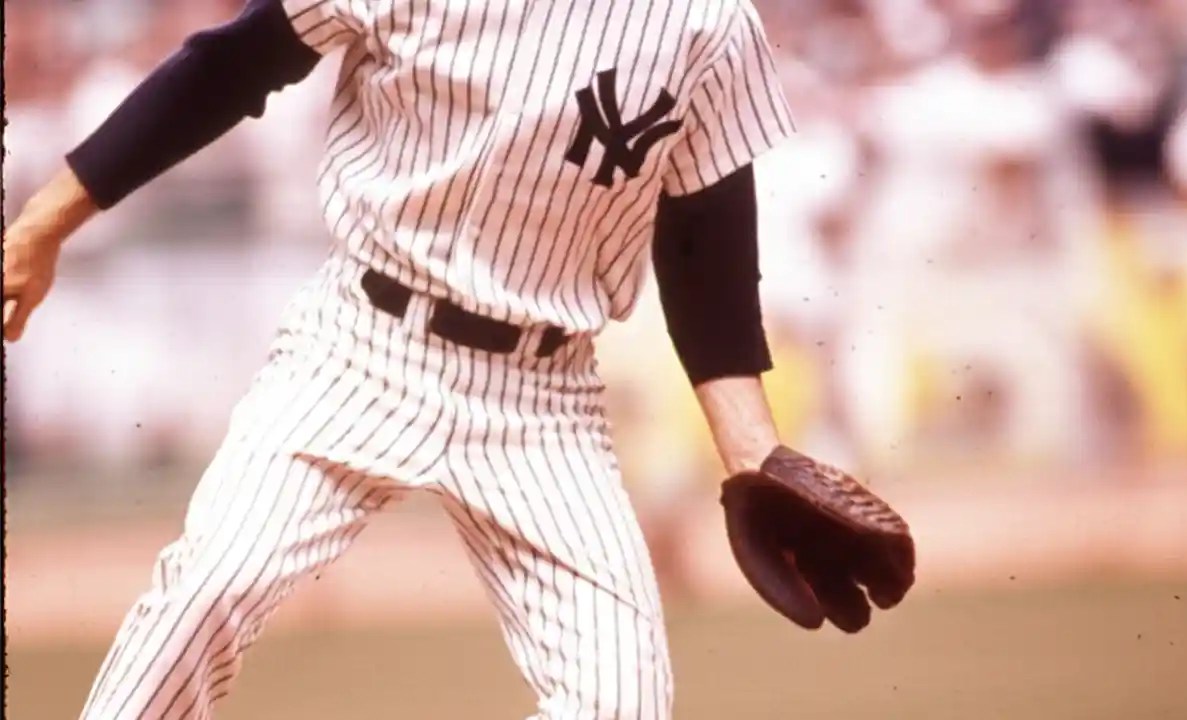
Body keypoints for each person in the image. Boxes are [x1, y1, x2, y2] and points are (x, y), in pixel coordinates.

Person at [3, 2, 914, 718]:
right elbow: (230, 66)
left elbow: (703, 246)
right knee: (206, 593)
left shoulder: (709, 21)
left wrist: (752, 455)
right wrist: (45, 223)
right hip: (362, 347)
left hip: (544, 396)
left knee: (622, 698)